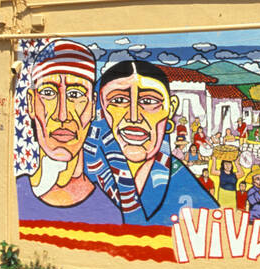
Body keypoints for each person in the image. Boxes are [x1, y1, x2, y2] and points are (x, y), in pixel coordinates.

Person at [85, 59, 217, 225]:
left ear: (171, 107)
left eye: (149, 101)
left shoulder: (178, 177)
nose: (134, 117)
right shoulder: (80, 175)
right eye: (119, 100)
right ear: (98, 108)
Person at [19, 39, 121, 223]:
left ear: (92, 106)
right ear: (31, 103)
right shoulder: (13, 195)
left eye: (75, 94)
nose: (62, 115)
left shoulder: (107, 215)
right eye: (49, 93)